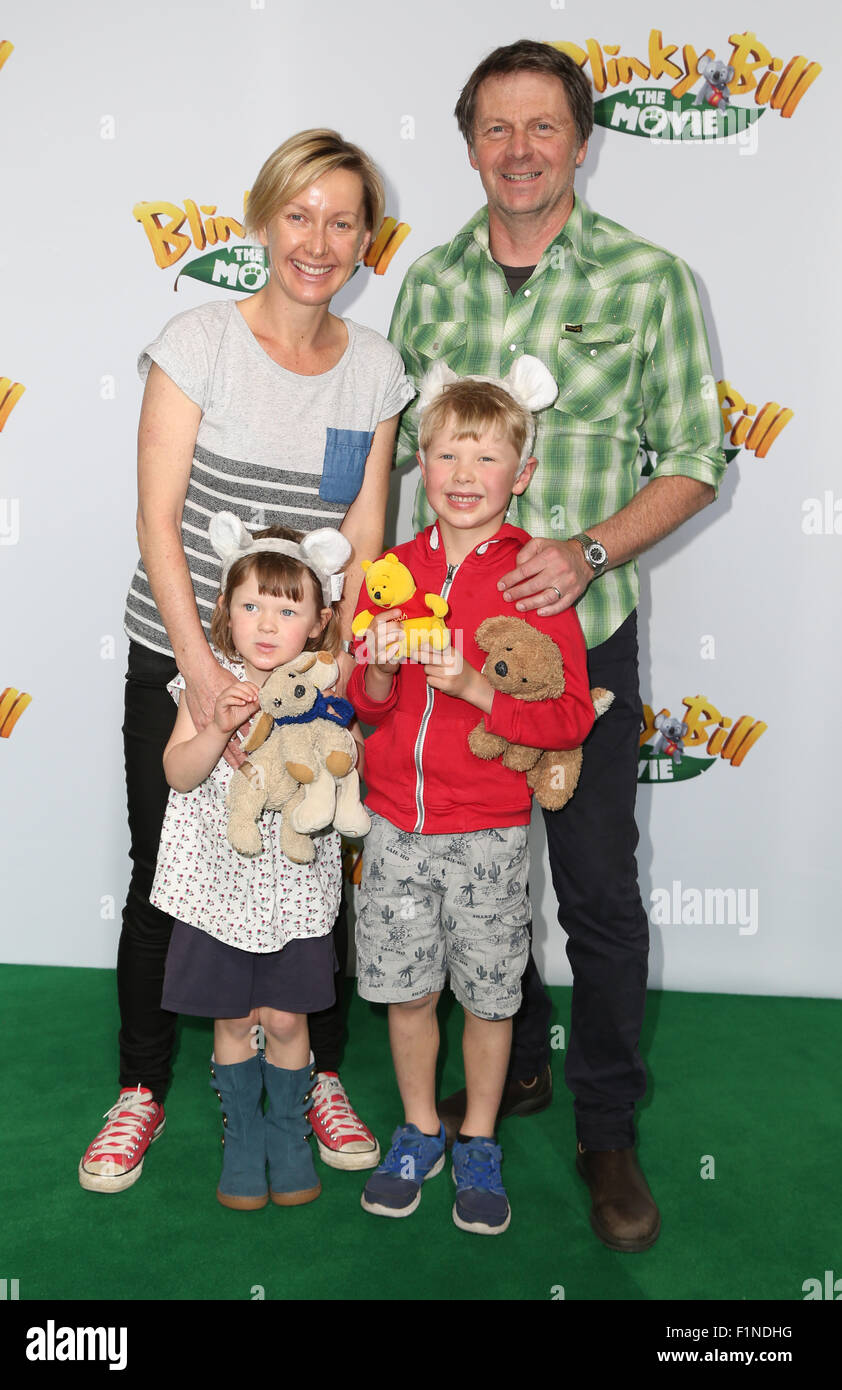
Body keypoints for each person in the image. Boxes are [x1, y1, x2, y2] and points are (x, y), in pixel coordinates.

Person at [387, 41, 727, 1251]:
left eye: (542, 128)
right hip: (438, 664)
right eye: (494, 129)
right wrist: (364, 606)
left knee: (593, 895)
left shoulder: (647, 279)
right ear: (469, 142)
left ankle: (606, 1132)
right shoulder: (425, 282)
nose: (518, 150)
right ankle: (511, 1063)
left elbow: (698, 455)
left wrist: (585, 550)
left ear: (582, 140)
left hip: (579, 648)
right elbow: (388, 462)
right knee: (463, 878)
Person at [79, 129, 414, 1193]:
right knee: (167, 876)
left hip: (305, 682)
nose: (318, 240)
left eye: (342, 220)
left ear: (367, 239)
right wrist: (210, 678)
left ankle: (311, 1067)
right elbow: (158, 518)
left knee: (315, 874)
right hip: (179, 661)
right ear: (264, 221)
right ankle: (140, 1089)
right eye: (299, 214)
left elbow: (363, 546)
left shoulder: (375, 370)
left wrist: (309, 687)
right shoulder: (198, 341)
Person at [348, 361, 596, 1235]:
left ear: (520, 475)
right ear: (421, 461)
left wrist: (479, 692)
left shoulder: (535, 578)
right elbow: (364, 702)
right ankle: (419, 1130)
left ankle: (479, 1136)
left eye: (486, 458)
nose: (462, 475)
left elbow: (568, 716)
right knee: (407, 991)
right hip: (394, 828)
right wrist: (376, 669)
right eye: (447, 453)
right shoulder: (391, 571)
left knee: (491, 996)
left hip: (488, 831)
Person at [156, 514, 349, 1208]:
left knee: (290, 1017)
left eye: (288, 608)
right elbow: (178, 774)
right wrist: (215, 727)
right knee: (235, 1018)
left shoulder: (325, 694)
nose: (268, 625)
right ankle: (241, 1136)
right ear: (224, 613)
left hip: (295, 890)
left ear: (319, 621)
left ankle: (286, 1134)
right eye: (251, 606)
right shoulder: (207, 686)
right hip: (219, 890)